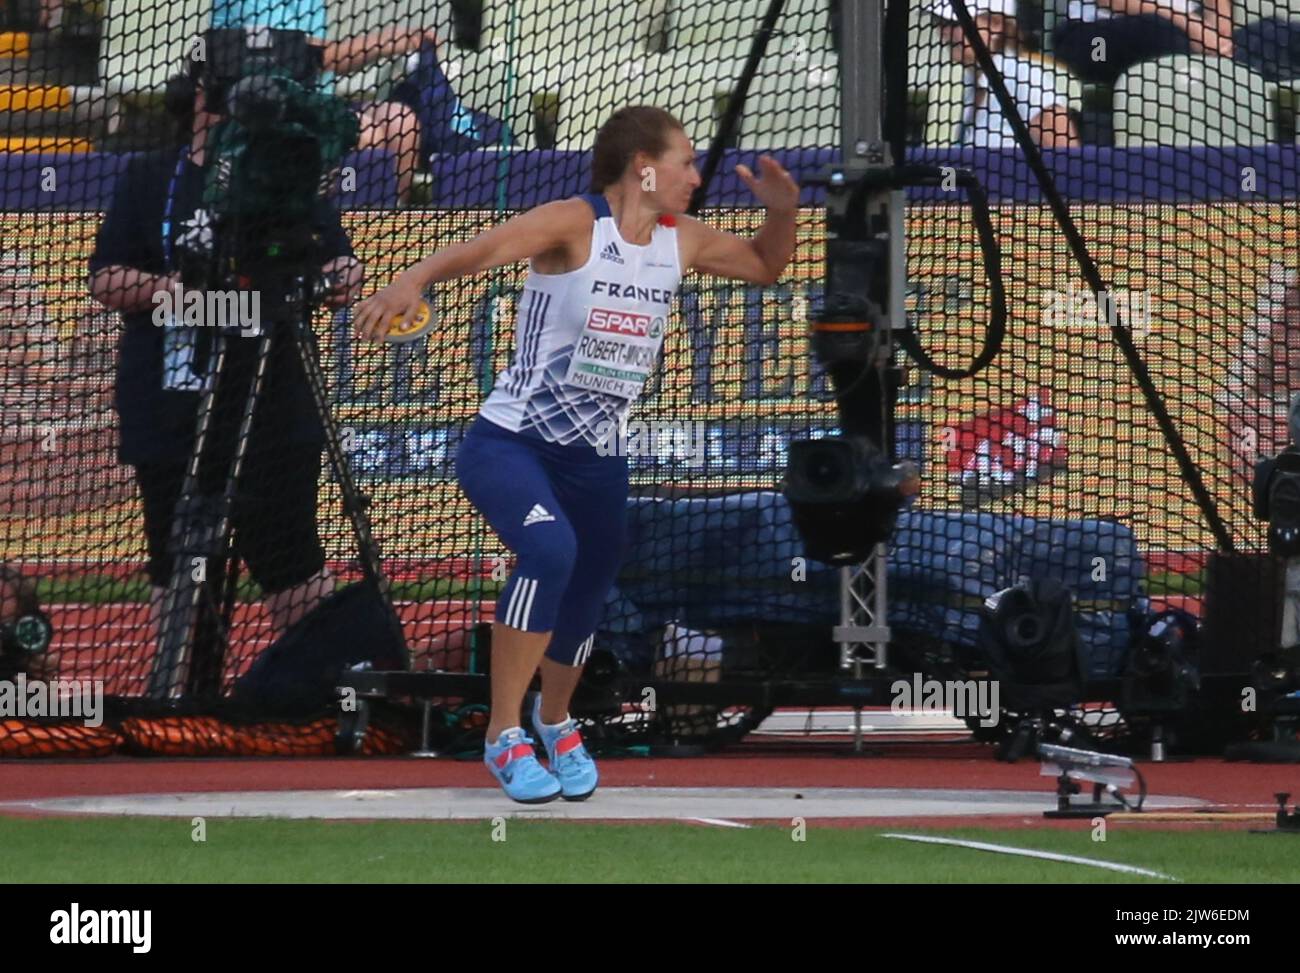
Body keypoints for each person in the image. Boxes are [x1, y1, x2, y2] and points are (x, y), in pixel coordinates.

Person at [352, 105, 800, 804]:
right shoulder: (572, 223)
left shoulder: (681, 240)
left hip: (598, 456)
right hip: (511, 444)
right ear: (643, 167)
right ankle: (504, 733)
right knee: (550, 552)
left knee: (591, 582)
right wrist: (412, 281)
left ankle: (554, 720)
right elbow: (479, 250)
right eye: (684, 159)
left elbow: (768, 266)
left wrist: (781, 212)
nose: (695, 172)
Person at [87, 75, 363, 650]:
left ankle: (319, 685)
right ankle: (178, 693)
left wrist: (332, 281)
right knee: (177, 556)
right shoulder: (150, 176)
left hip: (274, 400)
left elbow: (343, 265)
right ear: (201, 109)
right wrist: (186, 294)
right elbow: (106, 277)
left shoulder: (285, 171)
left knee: (290, 553)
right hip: (172, 401)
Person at [210, 0, 435, 204]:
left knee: (401, 122)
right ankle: (342, 226)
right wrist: (390, 39)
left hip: (317, 103)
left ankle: (387, 225)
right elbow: (304, 54)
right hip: (260, 110)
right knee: (367, 133)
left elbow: (325, 61)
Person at [930, 0, 1081, 148]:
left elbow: (1066, 160)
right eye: (939, 22)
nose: (943, 32)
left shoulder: (1025, 79)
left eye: (954, 24)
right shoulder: (970, 81)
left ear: (996, 24)